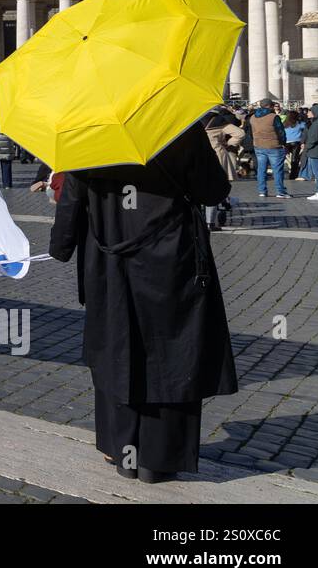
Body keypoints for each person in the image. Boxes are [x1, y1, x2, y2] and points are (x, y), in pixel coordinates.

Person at [49, 121, 237, 483]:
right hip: (171, 259)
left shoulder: (87, 128)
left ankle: (123, 450)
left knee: (116, 346)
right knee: (172, 349)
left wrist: (62, 245)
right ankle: (159, 458)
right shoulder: (178, 124)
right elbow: (213, 191)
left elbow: (73, 195)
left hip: (109, 261)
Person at [249, 99, 289, 198]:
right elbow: (280, 132)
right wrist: (283, 143)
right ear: (270, 106)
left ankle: (262, 191)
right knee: (277, 170)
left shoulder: (253, 117)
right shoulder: (273, 117)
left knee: (261, 169)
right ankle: (280, 192)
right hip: (273, 146)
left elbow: (251, 132)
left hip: (259, 145)